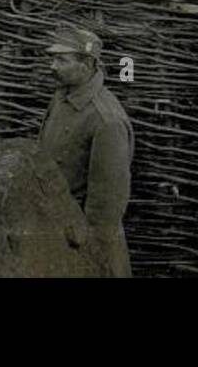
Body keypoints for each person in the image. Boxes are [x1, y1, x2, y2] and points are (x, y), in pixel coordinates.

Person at [38, 25, 134, 277]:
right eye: (52, 58)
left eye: (61, 59)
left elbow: (106, 206)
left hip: (86, 242)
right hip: (56, 226)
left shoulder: (106, 120)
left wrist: (88, 252)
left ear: (87, 64)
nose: (53, 66)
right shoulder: (62, 96)